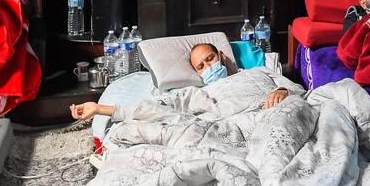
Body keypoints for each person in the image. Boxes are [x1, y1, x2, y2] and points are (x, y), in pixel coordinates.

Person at [70, 43, 293, 122]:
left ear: (222, 57)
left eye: (210, 59)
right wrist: (99, 108)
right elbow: (156, 108)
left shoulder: (260, 71)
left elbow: (301, 90)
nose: (208, 67)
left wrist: (283, 91)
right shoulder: (197, 94)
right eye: (201, 67)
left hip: (280, 111)